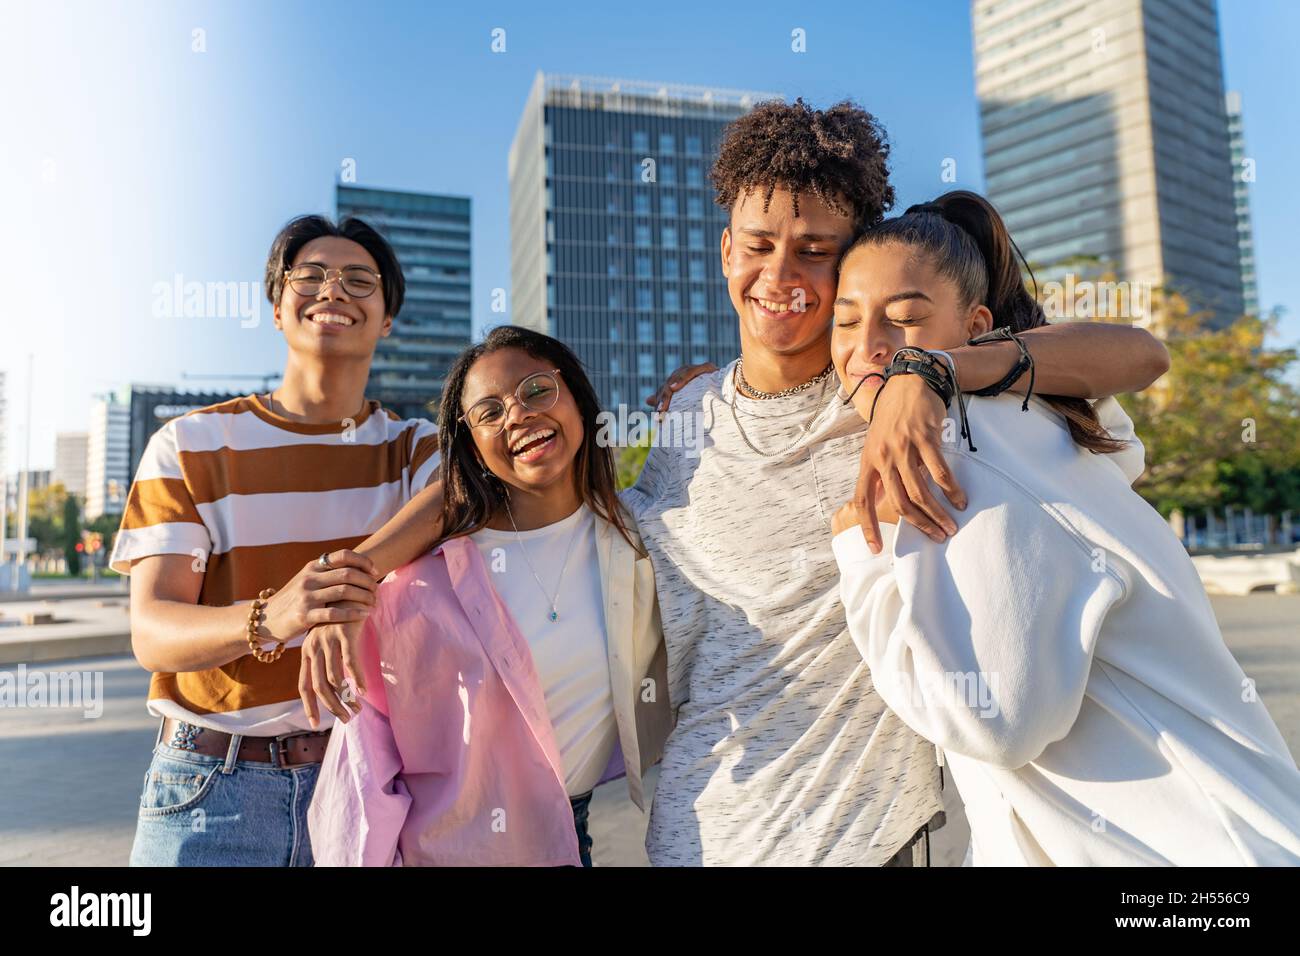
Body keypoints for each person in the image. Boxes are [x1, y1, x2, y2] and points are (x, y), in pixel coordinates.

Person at [628, 99, 1171, 865]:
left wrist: (932, 371)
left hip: (869, 837)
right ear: (726, 252)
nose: (778, 274)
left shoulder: (889, 391)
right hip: (699, 831)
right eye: (757, 245)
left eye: (814, 250)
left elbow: (1140, 355)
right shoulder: (686, 415)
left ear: (852, 261)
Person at [829, 190, 1300, 865]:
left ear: (976, 325)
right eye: (846, 322)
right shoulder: (1041, 423)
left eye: (905, 320)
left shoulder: (973, 441)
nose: (871, 347)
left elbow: (998, 721)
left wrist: (864, 557)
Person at [111, 214, 445, 866]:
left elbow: (463, 495)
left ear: (386, 321)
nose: (333, 290)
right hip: (210, 789)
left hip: (364, 786)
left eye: (359, 280)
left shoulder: (414, 451)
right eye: (311, 276)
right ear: (276, 308)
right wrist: (276, 615)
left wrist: (349, 583)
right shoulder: (189, 445)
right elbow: (153, 631)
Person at [308, 327, 671, 866]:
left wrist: (709, 390)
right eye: (489, 412)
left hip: (568, 836)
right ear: (471, 443)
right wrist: (346, 589)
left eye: (536, 390)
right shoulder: (416, 589)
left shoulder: (641, 542)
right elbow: (360, 780)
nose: (518, 416)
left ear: (574, 394)